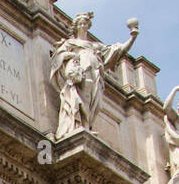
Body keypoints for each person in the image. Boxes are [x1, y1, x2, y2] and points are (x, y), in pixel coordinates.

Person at [50, 12, 139, 140]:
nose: (83, 25)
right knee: (80, 99)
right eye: (80, 23)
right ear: (76, 26)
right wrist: (73, 56)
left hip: (95, 74)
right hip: (80, 73)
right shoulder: (70, 43)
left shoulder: (95, 46)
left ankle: (86, 126)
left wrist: (132, 37)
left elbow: (117, 51)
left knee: (94, 102)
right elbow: (58, 57)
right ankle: (76, 125)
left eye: (85, 23)